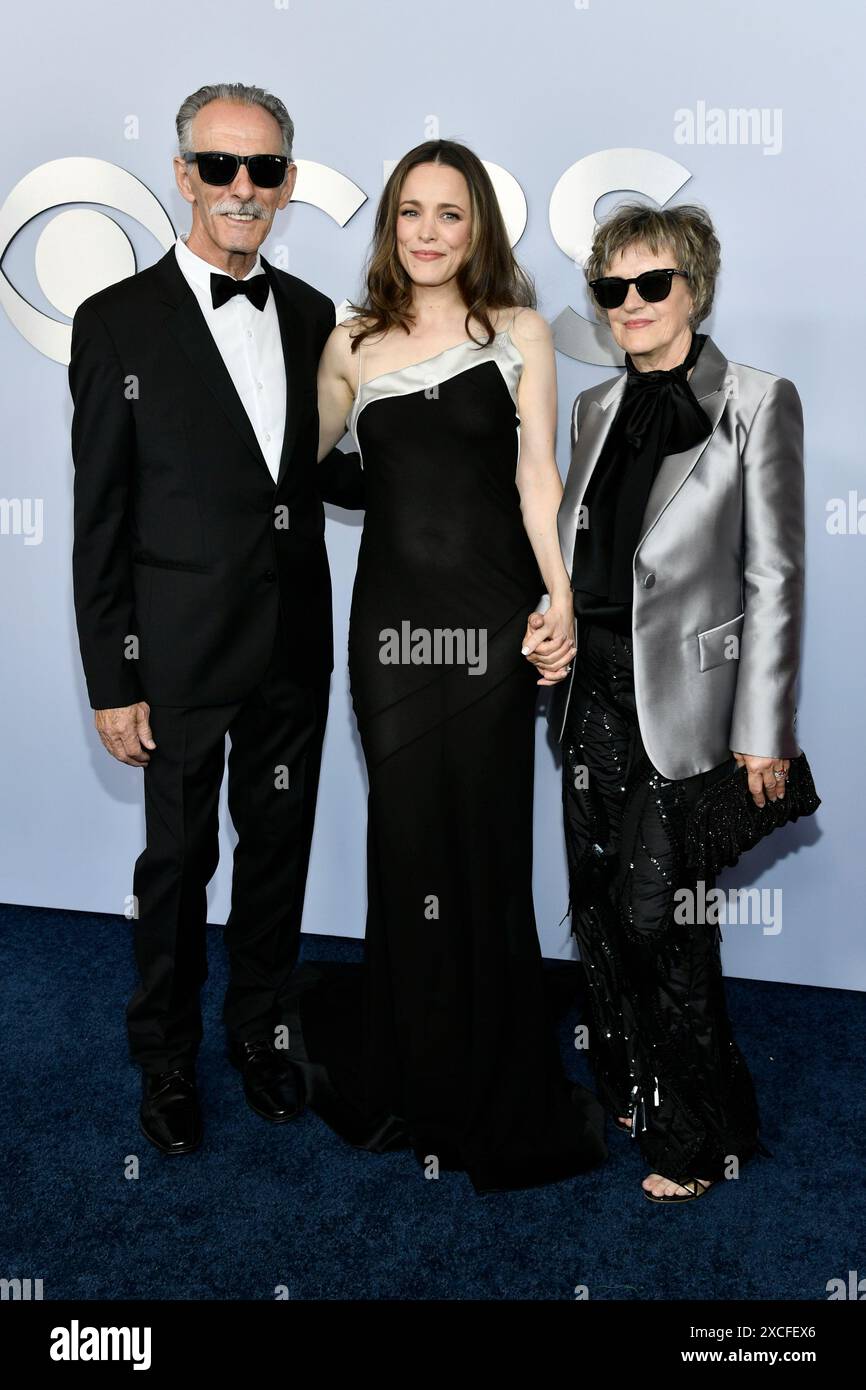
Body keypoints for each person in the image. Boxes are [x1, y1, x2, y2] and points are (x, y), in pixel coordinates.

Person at [288, 139, 607, 1193]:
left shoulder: (517, 332)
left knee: (482, 835)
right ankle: (414, 1068)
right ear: (390, 226)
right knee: (407, 836)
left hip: (488, 627)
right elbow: (300, 461)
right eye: (412, 212)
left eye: (450, 214)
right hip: (389, 634)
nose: (428, 231)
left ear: (479, 231)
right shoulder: (350, 343)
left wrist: (556, 599)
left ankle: (487, 1065)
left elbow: (535, 479)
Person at [69, 83, 342, 1154]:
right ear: (182, 173)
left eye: (264, 169)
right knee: (176, 873)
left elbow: (329, 474)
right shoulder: (116, 320)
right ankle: (166, 1059)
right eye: (220, 167)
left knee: (278, 856)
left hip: (291, 649)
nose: (242, 189)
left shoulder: (316, 315)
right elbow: (100, 517)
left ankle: (260, 1029)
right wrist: (110, 674)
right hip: (173, 657)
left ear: (286, 182)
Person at [523, 202, 805, 1202]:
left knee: (662, 917)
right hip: (586, 697)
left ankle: (697, 1138)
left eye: (653, 284)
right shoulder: (593, 411)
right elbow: (582, 563)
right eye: (612, 288)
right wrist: (546, 626)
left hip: (684, 711)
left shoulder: (757, 401)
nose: (631, 304)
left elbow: (773, 574)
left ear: (693, 287)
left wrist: (760, 730)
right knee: (599, 913)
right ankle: (633, 1091)